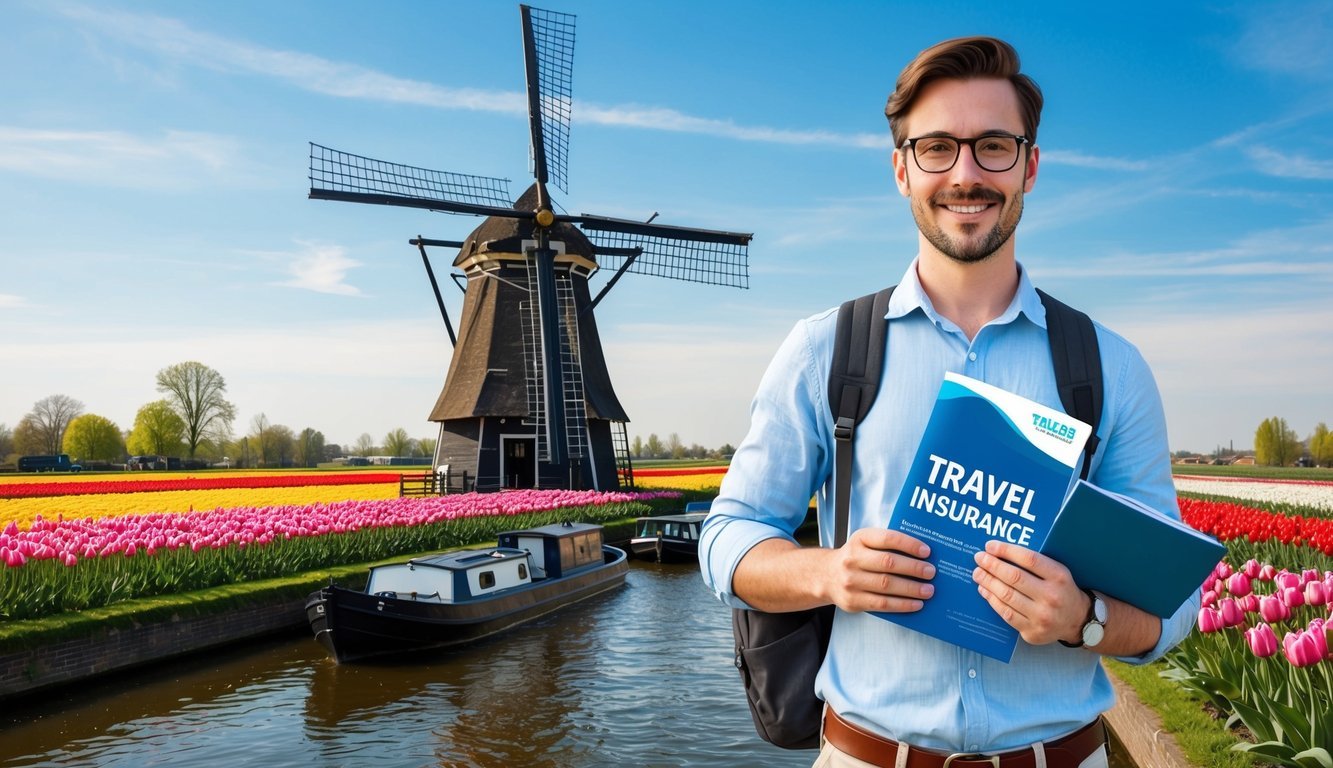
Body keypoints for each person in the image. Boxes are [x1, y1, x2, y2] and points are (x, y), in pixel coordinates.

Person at [699, 36, 1197, 767]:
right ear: (901, 170)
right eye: (935, 147)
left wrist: (1082, 620)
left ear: (1029, 164)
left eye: (992, 145)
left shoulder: (1108, 368)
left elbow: (1173, 607)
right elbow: (726, 538)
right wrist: (827, 573)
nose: (965, 174)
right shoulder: (824, 350)